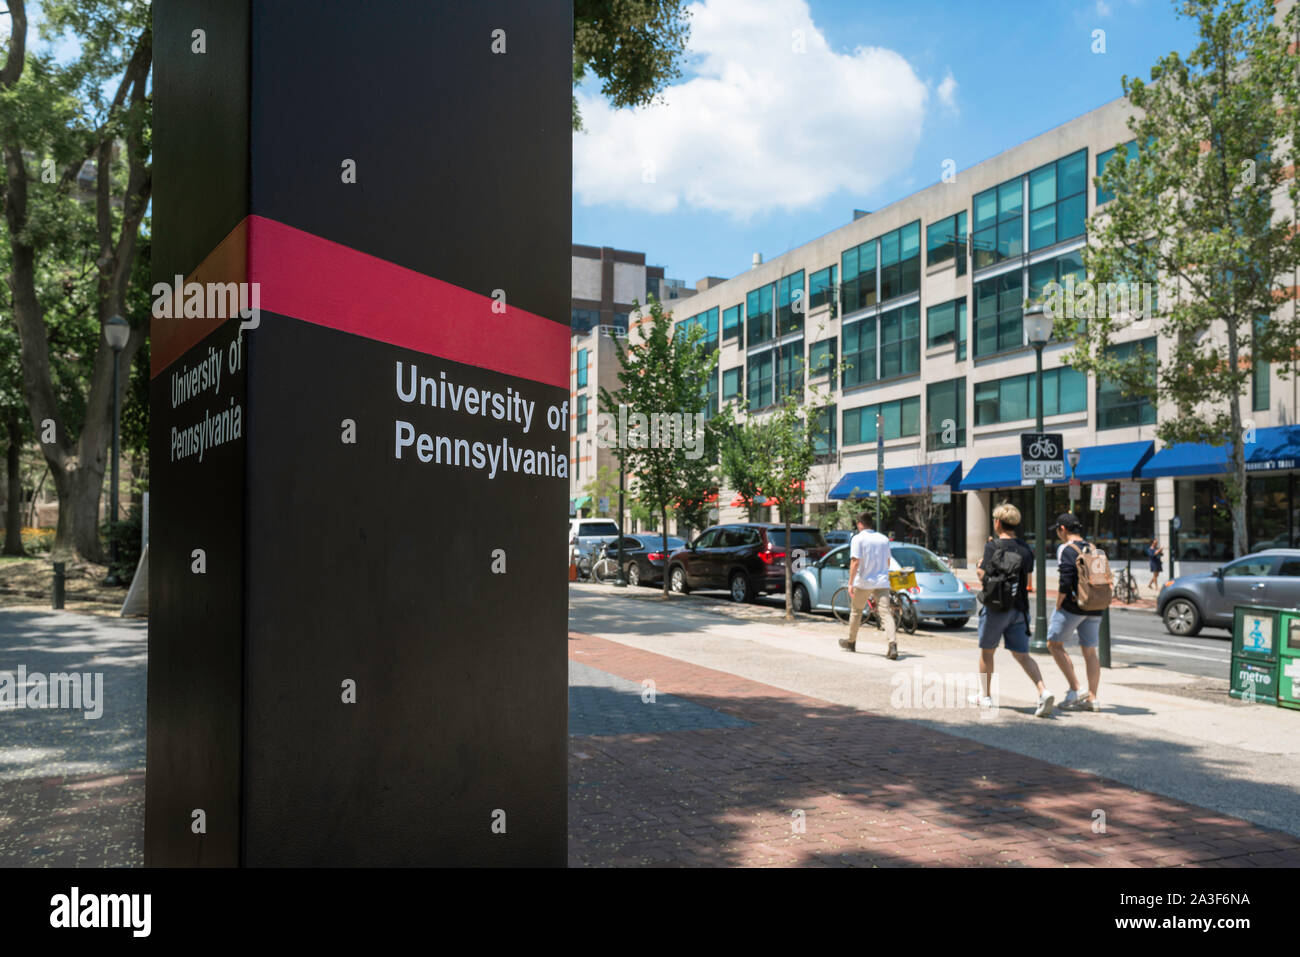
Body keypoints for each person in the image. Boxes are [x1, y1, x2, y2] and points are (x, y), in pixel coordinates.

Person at [973, 503, 1054, 717]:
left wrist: (979, 566)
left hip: (996, 608)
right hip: (1019, 609)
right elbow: (1026, 577)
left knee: (987, 652)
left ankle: (986, 695)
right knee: (1023, 655)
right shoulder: (1026, 549)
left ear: (998, 522)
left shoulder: (992, 547)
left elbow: (983, 577)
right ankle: (1043, 691)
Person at [1047, 513, 1103, 712]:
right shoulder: (1093, 547)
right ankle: (1093, 698)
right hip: (1096, 605)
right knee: (1089, 650)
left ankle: (1075, 688)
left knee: (1054, 644)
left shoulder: (1065, 549)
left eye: (1057, 530)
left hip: (1074, 605)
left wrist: (1058, 604)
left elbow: (1066, 579)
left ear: (1063, 529)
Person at [839, 510, 896, 659]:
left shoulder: (858, 539)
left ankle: (851, 642)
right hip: (882, 581)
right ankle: (892, 644)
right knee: (885, 613)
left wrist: (850, 583)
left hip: (864, 582)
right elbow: (888, 561)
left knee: (856, 611)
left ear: (860, 524)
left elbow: (855, 561)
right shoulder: (884, 539)